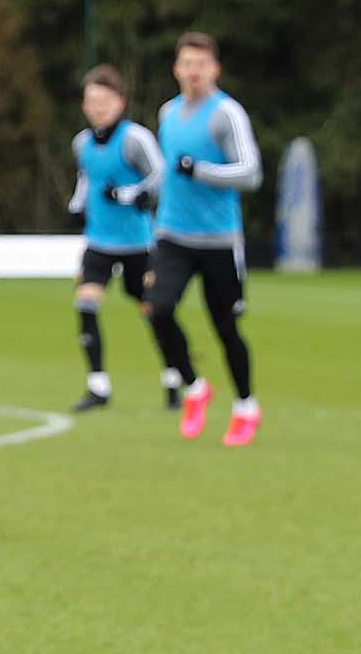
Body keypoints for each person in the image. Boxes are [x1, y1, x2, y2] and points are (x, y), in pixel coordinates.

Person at [150, 32, 265, 446]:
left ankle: (246, 407)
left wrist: (200, 170)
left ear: (214, 69)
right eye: (187, 63)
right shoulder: (168, 113)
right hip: (172, 236)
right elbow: (168, 172)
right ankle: (195, 387)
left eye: (202, 64)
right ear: (176, 68)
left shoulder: (226, 114)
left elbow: (250, 172)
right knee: (158, 310)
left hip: (218, 241)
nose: (193, 71)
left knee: (225, 328)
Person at [64, 65, 168, 412]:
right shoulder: (82, 143)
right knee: (86, 303)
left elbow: (159, 176)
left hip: (138, 243)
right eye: (92, 100)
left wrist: (131, 194)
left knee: (153, 310)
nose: (98, 107)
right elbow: (86, 179)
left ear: (120, 103)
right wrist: (77, 206)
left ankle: (174, 376)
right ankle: (98, 385)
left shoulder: (135, 139)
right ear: (84, 105)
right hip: (99, 241)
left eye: (105, 100)